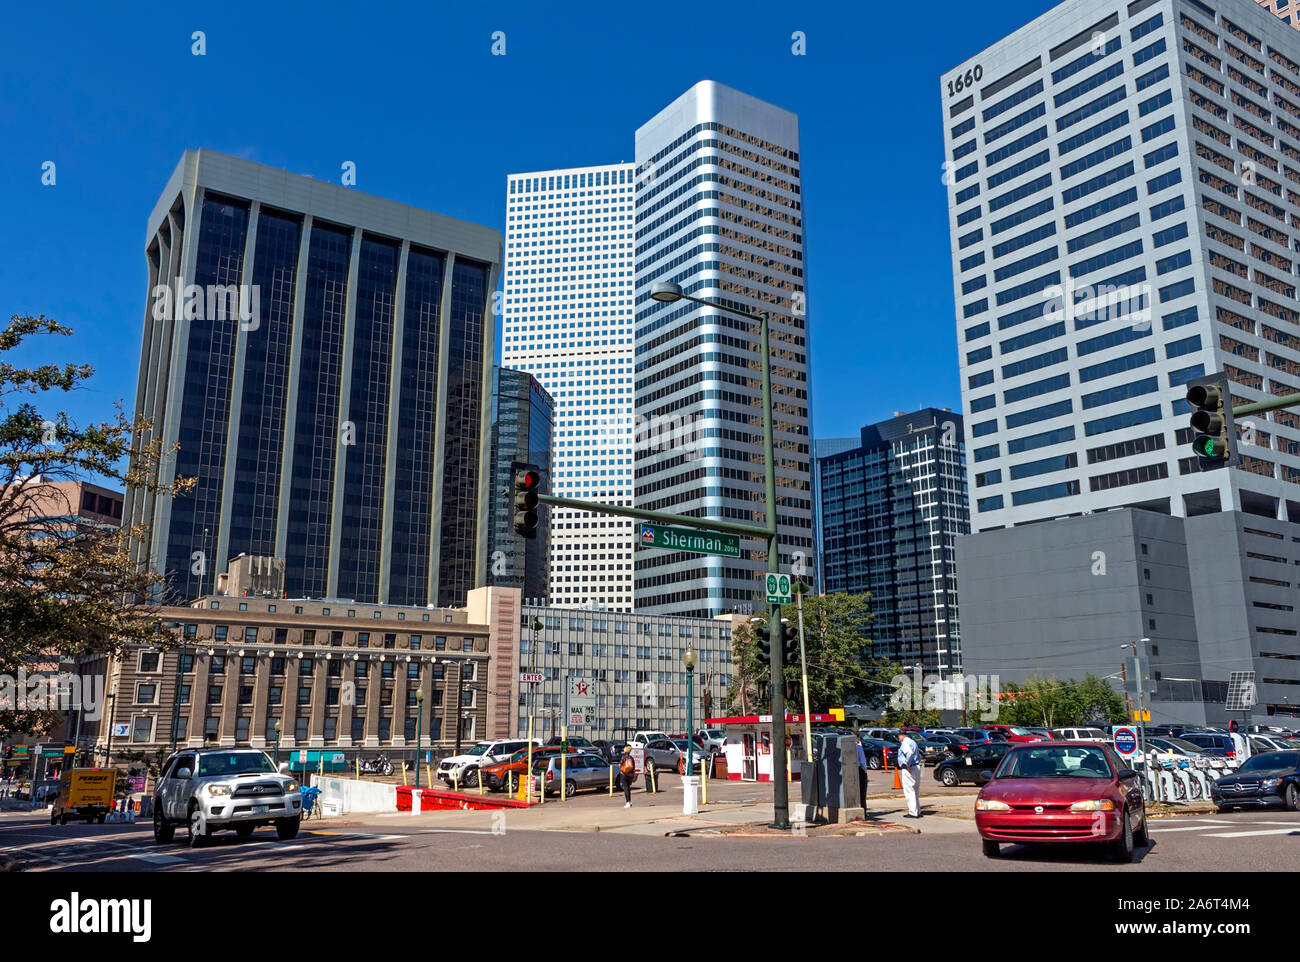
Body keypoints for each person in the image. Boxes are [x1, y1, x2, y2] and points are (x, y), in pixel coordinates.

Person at [897, 730, 923, 819]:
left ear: (902, 735)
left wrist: (906, 764)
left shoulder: (905, 743)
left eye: (898, 736)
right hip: (916, 766)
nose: (898, 738)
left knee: (909, 790)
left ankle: (913, 812)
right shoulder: (912, 741)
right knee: (915, 790)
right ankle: (917, 810)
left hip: (909, 768)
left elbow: (909, 753)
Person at [856, 737, 869, 810]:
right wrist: (865, 771)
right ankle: (863, 809)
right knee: (862, 792)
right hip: (859, 770)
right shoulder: (858, 747)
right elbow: (863, 761)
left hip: (850, 770)